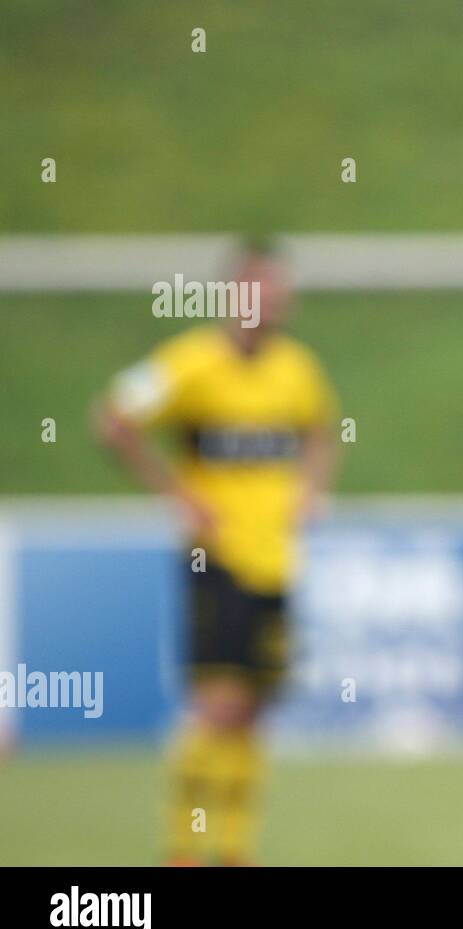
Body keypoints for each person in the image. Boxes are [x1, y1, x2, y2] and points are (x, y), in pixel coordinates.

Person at [92, 241, 339, 865]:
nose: (270, 305)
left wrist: (310, 491)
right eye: (258, 291)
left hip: (275, 561)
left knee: (254, 707)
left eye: (278, 293)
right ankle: (182, 845)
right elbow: (113, 420)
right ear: (233, 295)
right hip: (218, 558)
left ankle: (232, 850)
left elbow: (321, 432)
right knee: (219, 705)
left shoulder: (296, 368)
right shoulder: (190, 364)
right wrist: (178, 495)